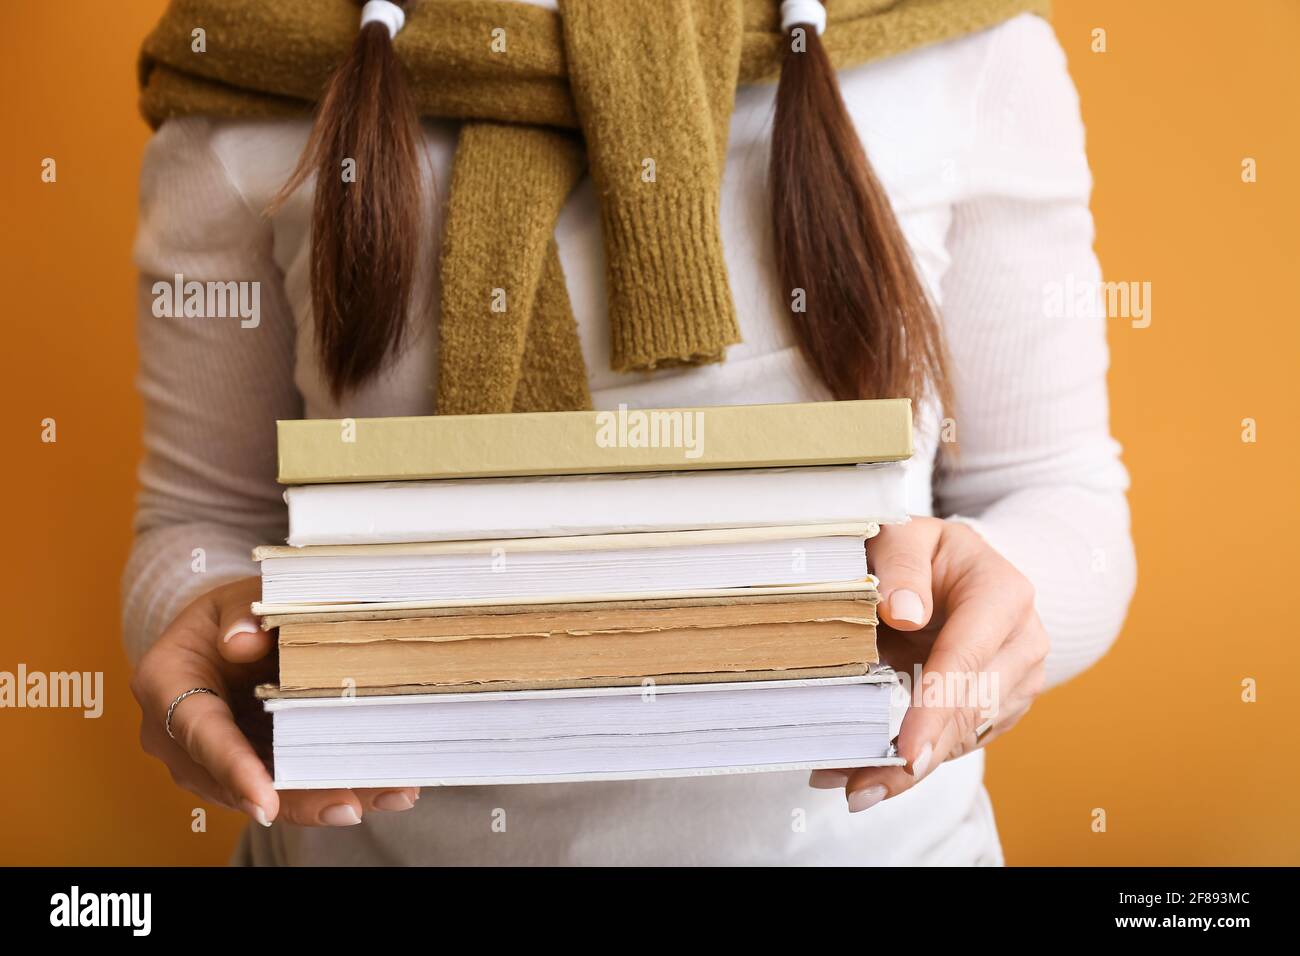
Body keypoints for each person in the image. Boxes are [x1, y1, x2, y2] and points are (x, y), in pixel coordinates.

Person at [125, 0, 1135, 865]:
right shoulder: (252, 52)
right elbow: (200, 517)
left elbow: (1058, 492)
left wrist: (999, 593)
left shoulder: (959, 40)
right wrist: (210, 636)